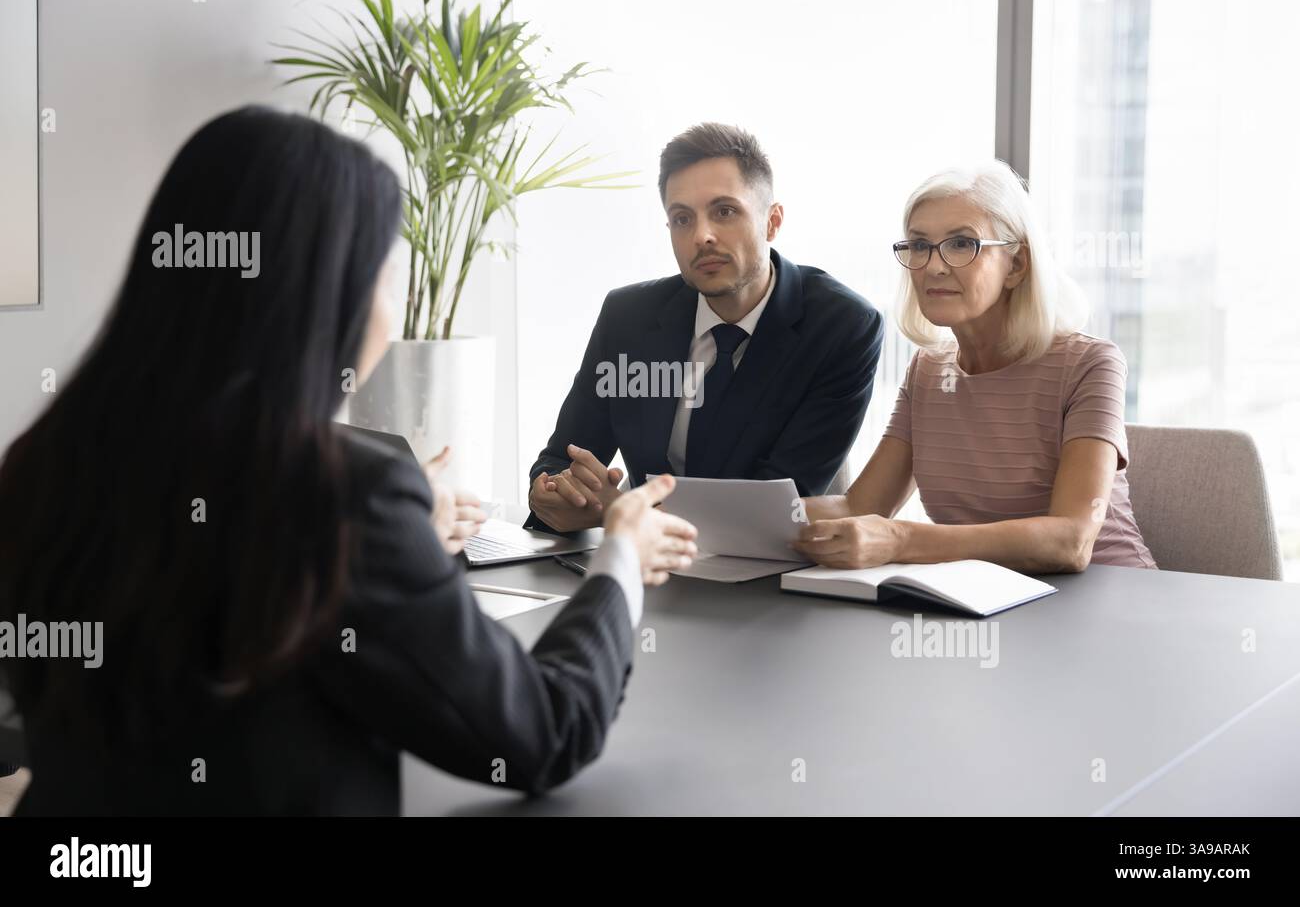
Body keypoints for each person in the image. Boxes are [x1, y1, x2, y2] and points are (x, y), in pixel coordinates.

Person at [0, 106, 697, 815]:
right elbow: (543, 730)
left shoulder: (45, 458)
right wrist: (620, 555)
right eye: (383, 279)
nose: (389, 311)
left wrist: (398, 537)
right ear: (324, 294)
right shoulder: (336, 495)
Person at [796, 161, 1156, 573]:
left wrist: (900, 539)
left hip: (1109, 600)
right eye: (919, 245)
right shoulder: (929, 372)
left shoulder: (1091, 364)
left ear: (1016, 266)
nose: (934, 265)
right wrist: (735, 519)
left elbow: (1070, 541)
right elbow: (857, 506)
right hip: (987, 607)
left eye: (962, 244)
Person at [527, 122, 885, 534]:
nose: (702, 236)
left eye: (724, 211)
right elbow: (562, 457)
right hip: (649, 571)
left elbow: (774, 505)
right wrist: (555, 490)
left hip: (770, 578)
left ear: (772, 221)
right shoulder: (628, 317)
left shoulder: (842, 326)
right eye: (682, 219)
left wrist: (621, 511)